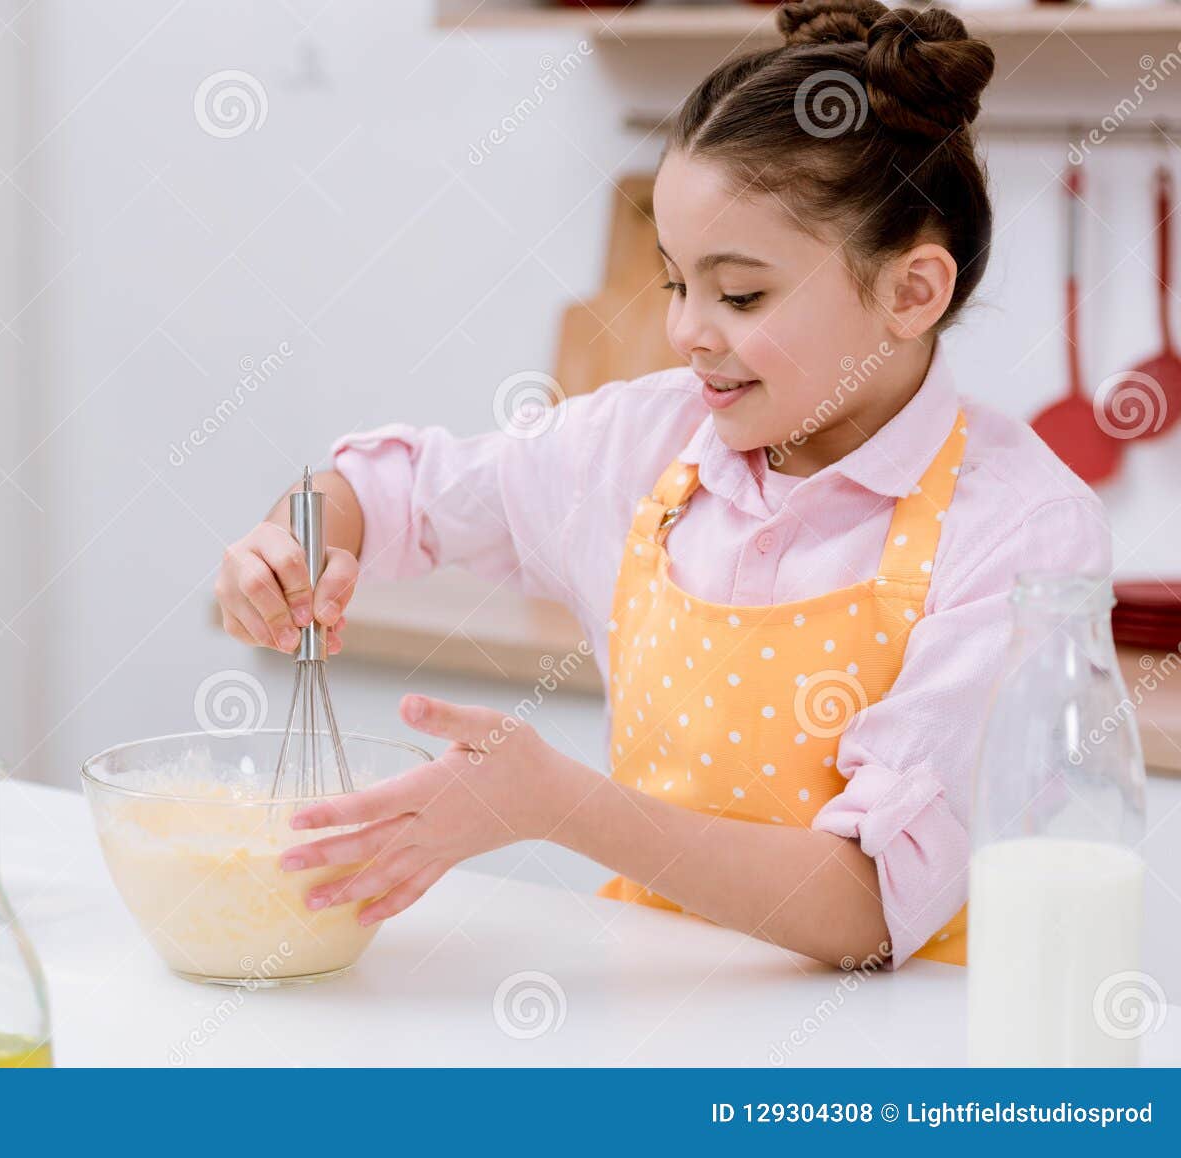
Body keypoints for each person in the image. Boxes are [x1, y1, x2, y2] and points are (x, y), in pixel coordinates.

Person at [212, 0, 1109, 970]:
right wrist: (296, 538)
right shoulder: (640, 440)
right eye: (674, 281)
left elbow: (867, 908)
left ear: (911, 292)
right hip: (647, 1025)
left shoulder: (1021, 529)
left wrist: (555, 804)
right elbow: (390, 490)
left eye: (739, 294)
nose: (685, 331)